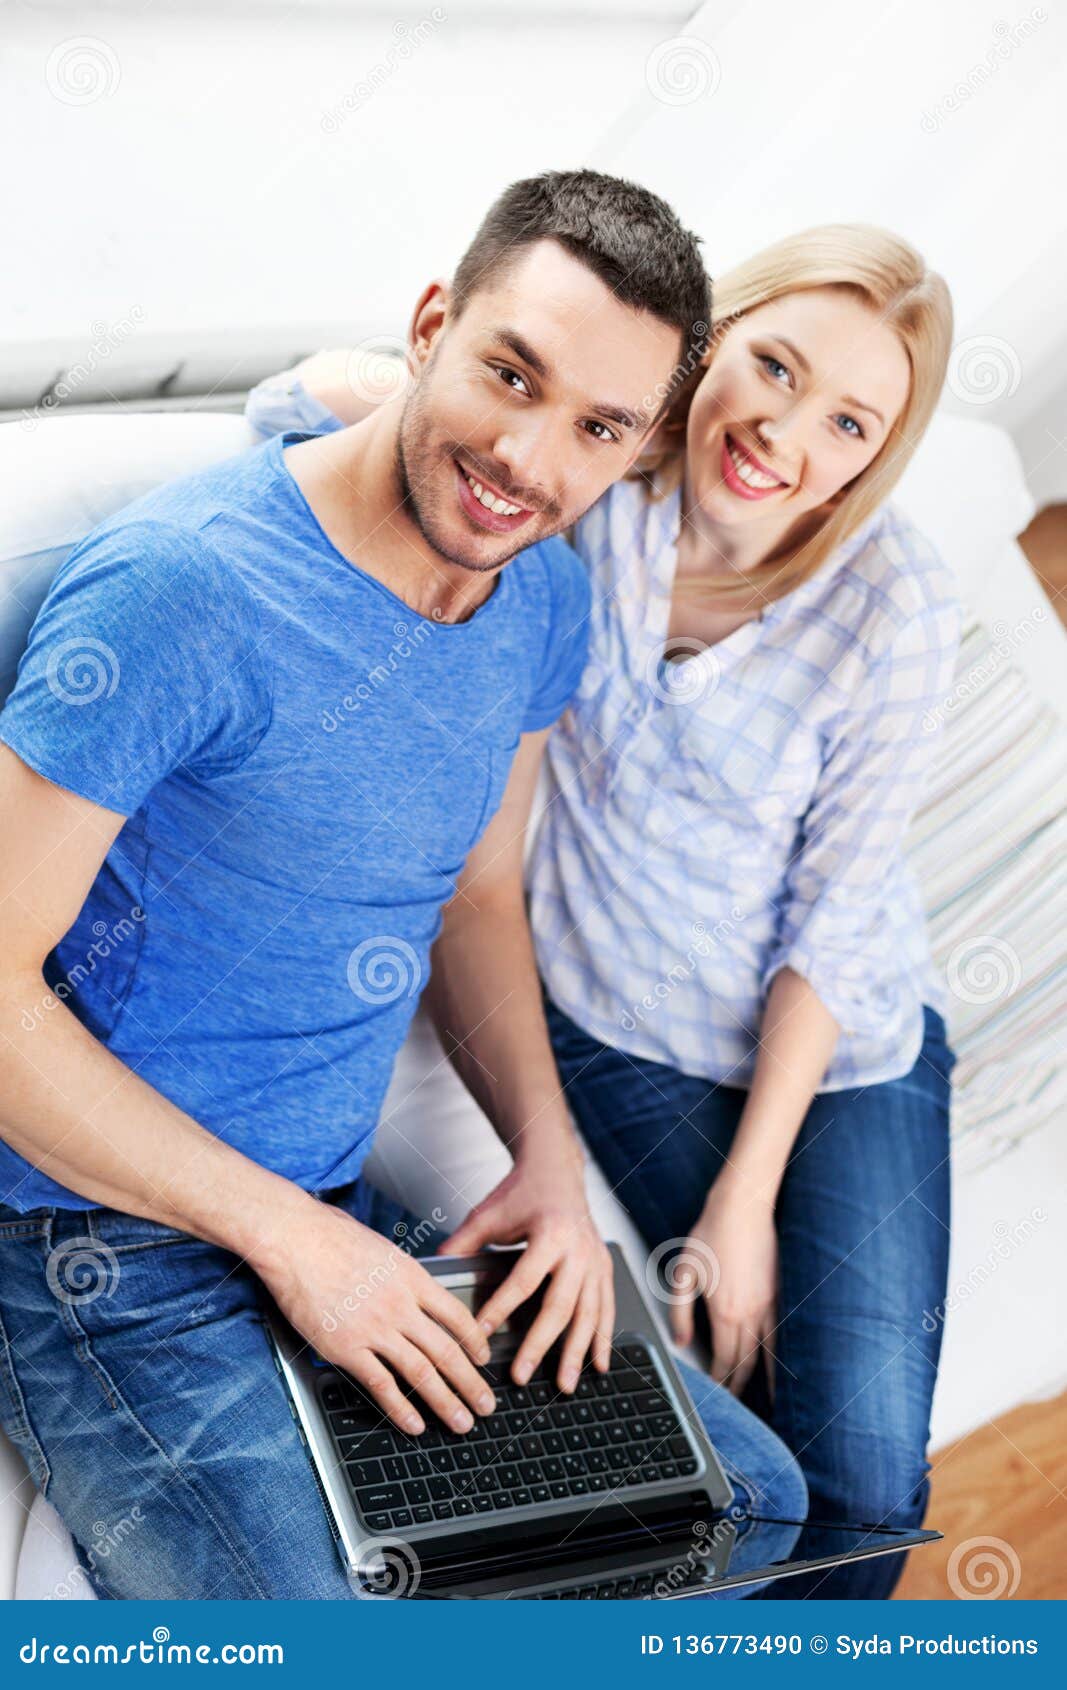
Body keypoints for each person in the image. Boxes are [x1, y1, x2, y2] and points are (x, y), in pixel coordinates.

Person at [0, 170, 805, 1599]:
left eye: (598, 427)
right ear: (432, 325)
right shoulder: (179, 594)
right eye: (511, 373)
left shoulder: (540, 598)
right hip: (96, 1248)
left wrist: (548, 1167)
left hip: (334, 1213)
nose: (527, 459)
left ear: (636, 447)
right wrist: (291, 1240)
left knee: (747, 1502)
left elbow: (479, 897)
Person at [257, 222, 962, 1599]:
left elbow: (837, 919)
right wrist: (420, 376)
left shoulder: (896, 609)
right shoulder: (595, 485)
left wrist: (745, 1202)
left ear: (876, 457)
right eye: (773, 365)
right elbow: (303, 404)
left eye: (848, 422)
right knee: (750, 1433)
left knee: (871, 1490)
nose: (783, 433)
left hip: (841, 1048)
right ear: (713, 341)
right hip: (620, 1026)